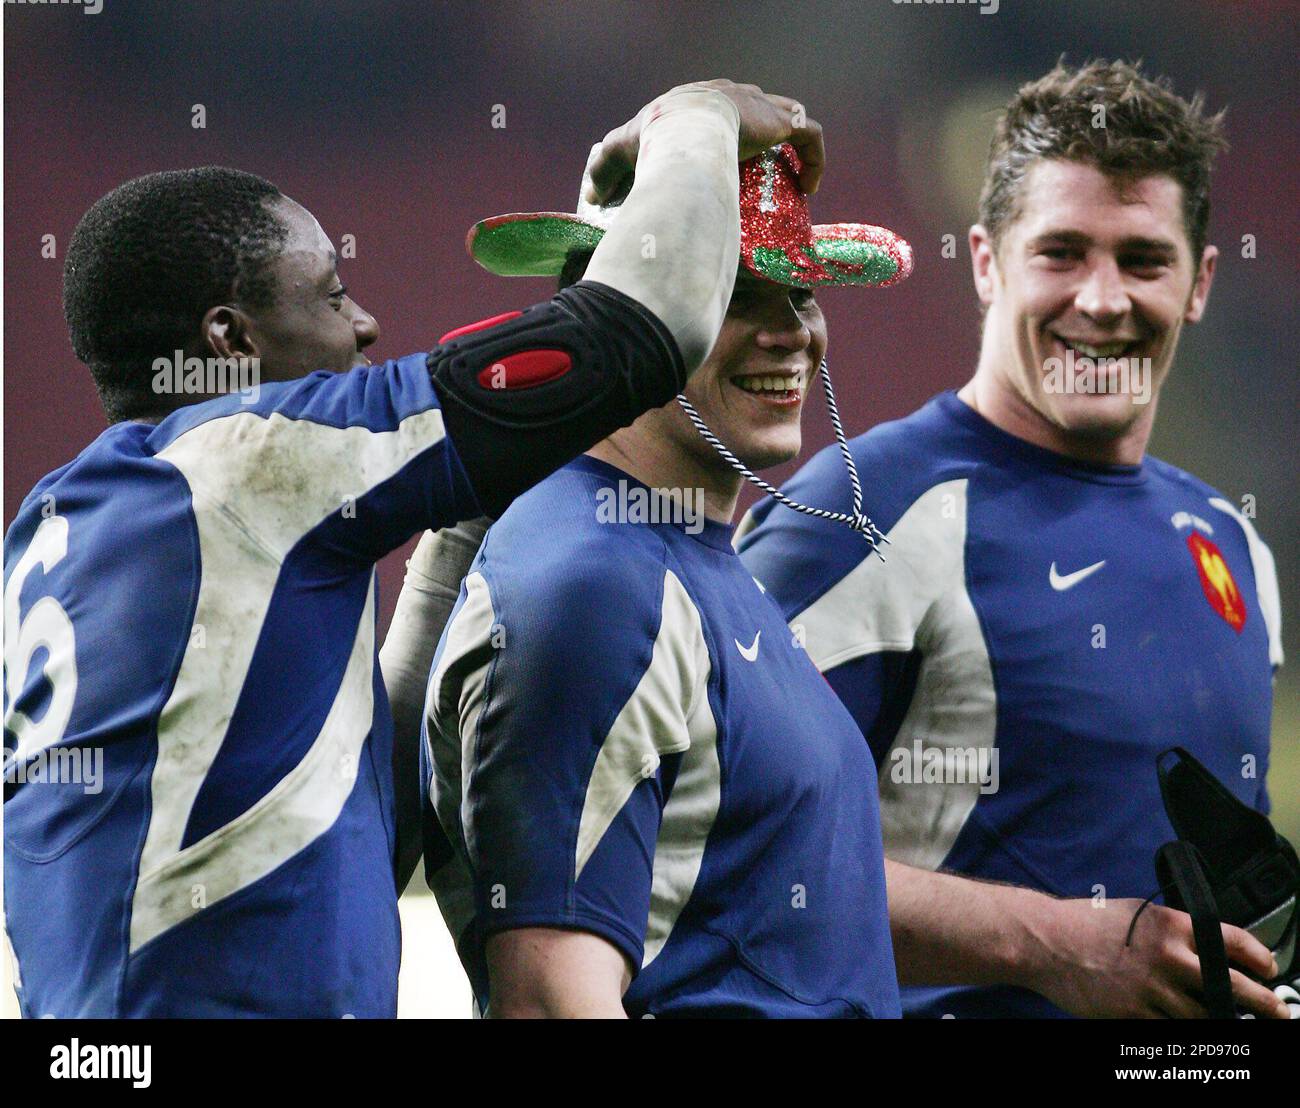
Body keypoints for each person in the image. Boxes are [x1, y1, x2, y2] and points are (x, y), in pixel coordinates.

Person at [2, 79, 825, 1017]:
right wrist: (698, 120)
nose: (364, 326)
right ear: (229, 339)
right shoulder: (241, 463)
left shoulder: (78, 522)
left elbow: (363, 826)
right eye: (331, 293)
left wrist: (475, 508)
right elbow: (645, 333)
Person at [736, 59, 1289, 1019]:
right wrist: (1050, 947)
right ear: (989, 263)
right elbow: (719, 851)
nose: (1104, 300)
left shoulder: (1234, 545)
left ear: (1199, 283)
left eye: (1143, 260)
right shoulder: (862, 511)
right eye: (1062, 252)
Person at [396, 140, 913, 1016]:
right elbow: (552, 1004)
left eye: (801, 290)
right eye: (731, 293)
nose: (789, 330)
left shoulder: (684, 555)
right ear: (626, 321)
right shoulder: (592, 585)